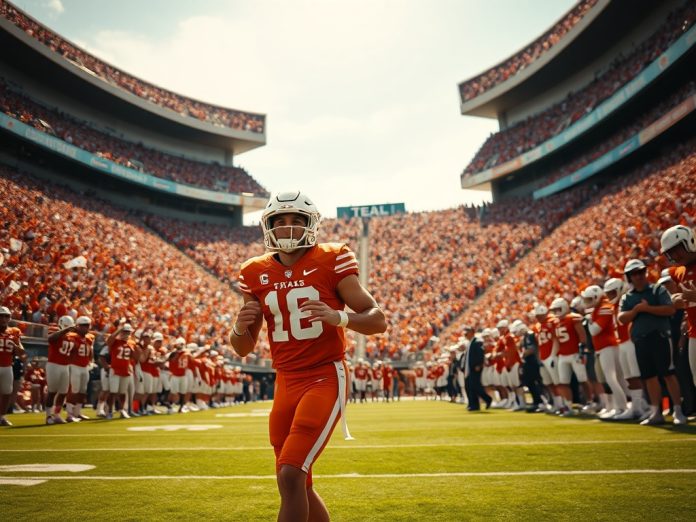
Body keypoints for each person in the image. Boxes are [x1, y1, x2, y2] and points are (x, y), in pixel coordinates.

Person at [230, 191, 386, 522]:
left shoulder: (333, 258)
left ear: (310, 225)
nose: (287, 228)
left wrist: (339, 317)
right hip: (285, 380)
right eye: (280, 221)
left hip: (324, 376)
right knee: (296, 481)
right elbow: (243, 347)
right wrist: (239, 328)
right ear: (268, 226)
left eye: (296, 221)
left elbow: (377, 319)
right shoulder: (253, 271)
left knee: (290, 474)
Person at [618, 259, 686, 425]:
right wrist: (636, 310)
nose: (639, 276)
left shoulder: (657, 289)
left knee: (668, 373)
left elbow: (670, 309)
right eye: (635, 273)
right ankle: (656, 412)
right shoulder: (628, 297)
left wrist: (647, 309)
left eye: (641, 272)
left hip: (660, 336)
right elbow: (621, 318)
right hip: (641, 340)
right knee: (649, 377)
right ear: (629, 277)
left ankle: (678, 410)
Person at [661, 225, 696, 391]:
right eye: (670, 252)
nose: (675, 255)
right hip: (694, 331)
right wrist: (677, 300)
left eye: (678, 249)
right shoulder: (678, 272)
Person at [45, 315, 76, 424]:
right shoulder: (54, 329)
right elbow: (50, 339)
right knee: (52, 391)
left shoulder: (72, 336)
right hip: (54, 365)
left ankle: (57, 414)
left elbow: (73, 352)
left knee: (63, 392)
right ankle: (48, 416)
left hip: (65, 366)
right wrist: (65, 330)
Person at [0, 307, 26, 426]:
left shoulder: (14, 331)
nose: (4, 318)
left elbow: (21, 352)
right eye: (1, 316)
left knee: (7, 392)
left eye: (6, 316)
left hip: (7, 366)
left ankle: (2, 417)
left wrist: (15, 346)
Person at [463, 326, 491, 410]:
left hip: (475, 367)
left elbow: (480, 354)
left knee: (475, 386)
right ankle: (474, 405)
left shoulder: (477, 342)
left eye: (466, 332)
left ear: (471, 332)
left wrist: (479, 364)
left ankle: (487, 399)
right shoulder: (470, 343)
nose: (465, 335)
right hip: (470, 368)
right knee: (471, 387)